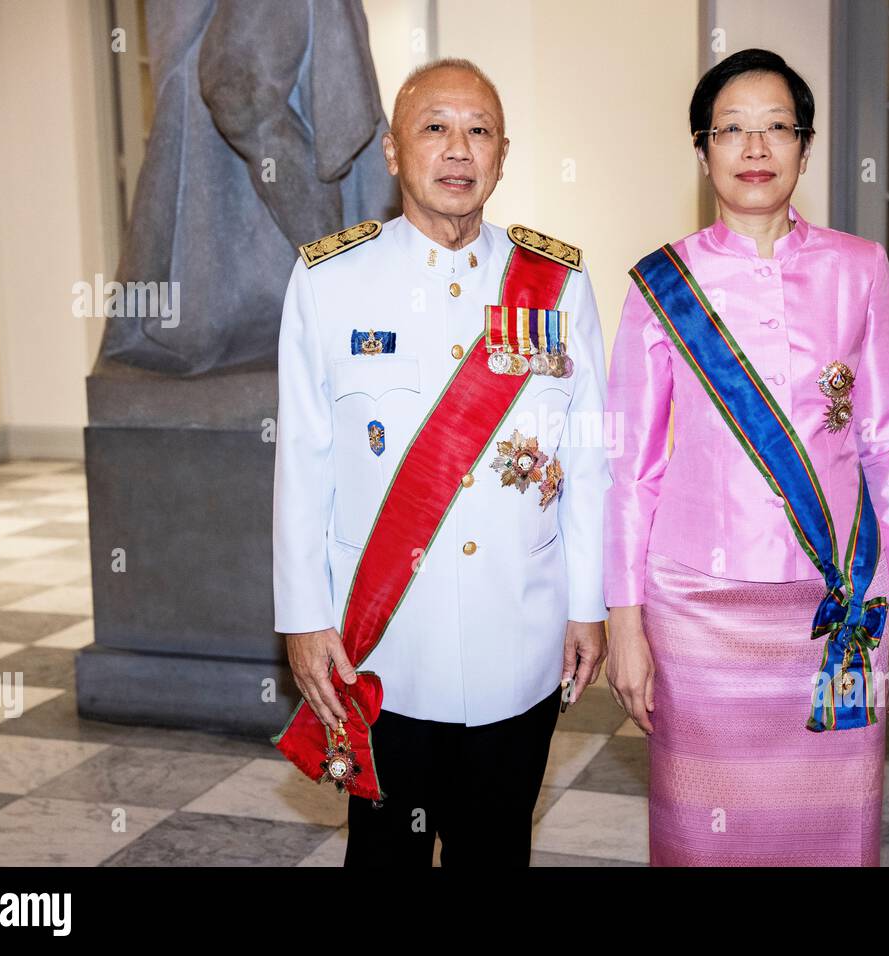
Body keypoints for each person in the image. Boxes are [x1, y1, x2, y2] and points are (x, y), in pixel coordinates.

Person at [271, 58, 609, 867]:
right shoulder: (329, 280)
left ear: (502, 153)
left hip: (518, 634)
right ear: (393, 151)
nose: (459, 149)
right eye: (435, 128)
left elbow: (591, 457)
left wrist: (588, 604)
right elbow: (304, 461)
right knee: (384, 854)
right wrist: (302, 616)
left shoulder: (556, 284)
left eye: (479, 131)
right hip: (385, 646)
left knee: (496, 851)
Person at [604, 48, 889, 866]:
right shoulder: (659, 286)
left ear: (805, 147)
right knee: (702, 830)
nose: (755, 149)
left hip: (837, 606)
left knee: (830, 829)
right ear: (702, 149)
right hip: (696, 611)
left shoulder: (860, 268)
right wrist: (624, 621)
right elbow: (629, 472)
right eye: (733, 130)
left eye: (776, 129)